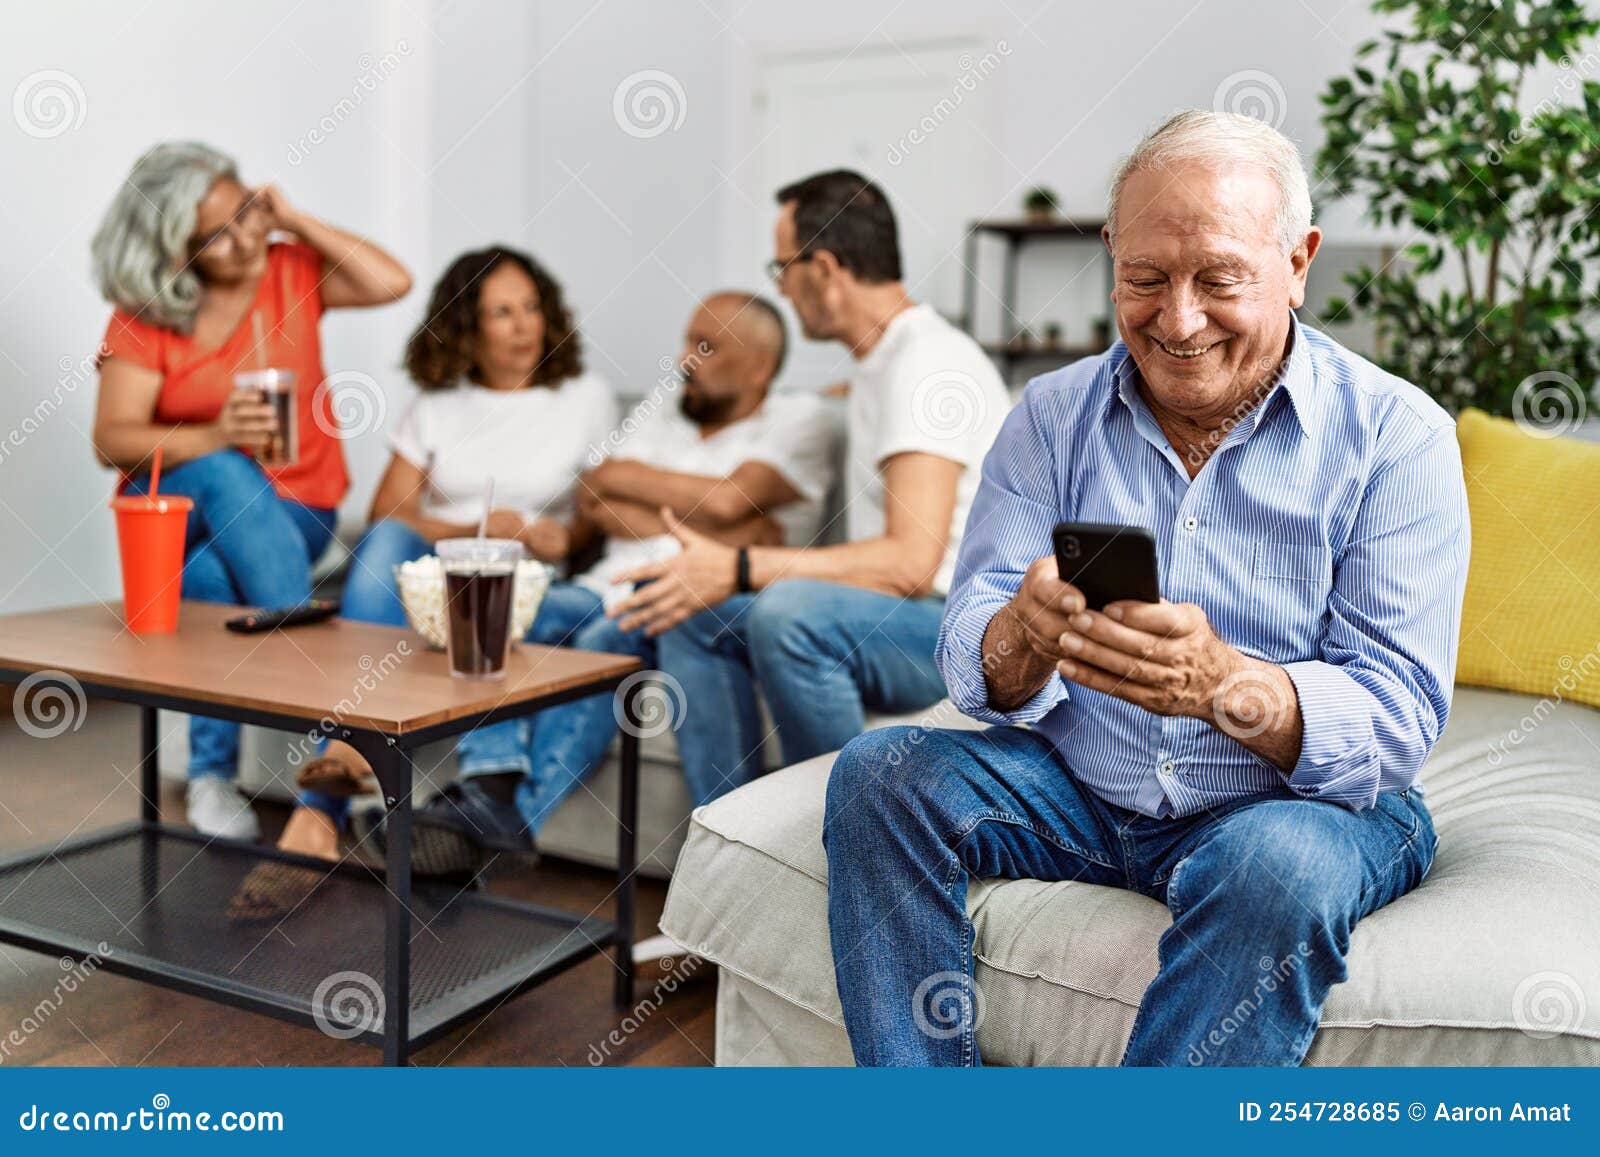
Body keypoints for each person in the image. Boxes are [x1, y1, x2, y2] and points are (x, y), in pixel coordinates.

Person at [822, 111, 1471, 1066]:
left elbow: (1400, 717)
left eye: (1218, 280)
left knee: (1274, 870)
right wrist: (1021, 634)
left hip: (1291, 805)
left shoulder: (1397, 438)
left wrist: (1227, 687)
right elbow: (974, 651)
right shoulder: (1048, 415)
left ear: (1299, 262)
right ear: (1111, 257)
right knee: (879, 776)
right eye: (1145, 279)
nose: (1177, 321)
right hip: (1081, 787)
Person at [382, 291, 839, 875]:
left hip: (690, 599)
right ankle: (488, 787)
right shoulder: (668, 407)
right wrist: (705, 512)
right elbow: (595, 493)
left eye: (706, 346)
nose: (684, 360)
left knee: (603, 641)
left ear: (759, 366)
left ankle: (493, 820)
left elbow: (735, 502)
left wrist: (660, 493)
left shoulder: (803, 418)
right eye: (686, 341)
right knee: (502, 610)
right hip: (600, 584)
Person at [607, 170, 1008, 791]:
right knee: (687, 610)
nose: (783, 291)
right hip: (899, 611)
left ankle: (839, 839)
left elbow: (911, 564)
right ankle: (730, 832)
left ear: (821, 269)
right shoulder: (885, 364)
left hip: (960, 627)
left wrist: (739, 567)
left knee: (789, 616)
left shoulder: (926, 365)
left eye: (782, 269)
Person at [89, 141, 412, 851]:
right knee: (230, 472)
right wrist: (213, 432)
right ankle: (339, 747)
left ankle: (211, 775)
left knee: (203, 574)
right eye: (216, 235)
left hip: (300, 513)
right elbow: (112, 438)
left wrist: (293, 218)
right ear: (173, 245)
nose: (243, 243)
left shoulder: (290, 266)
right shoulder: (146, 313)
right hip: (191, 497)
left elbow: (393, 280)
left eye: (247, 216)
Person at [296, 246, 618, 870]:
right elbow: (389, 514)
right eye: (502, 312)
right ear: (467, 326)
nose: (525, 326)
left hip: (526, 579)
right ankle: (357, 745)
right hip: (437, 578)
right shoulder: (438, 405)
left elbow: (603, 517)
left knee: (491, 594)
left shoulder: (586, 397)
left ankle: (391, 784)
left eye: (532, 308)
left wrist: (567, 538)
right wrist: (472, 526)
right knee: (384, 543)